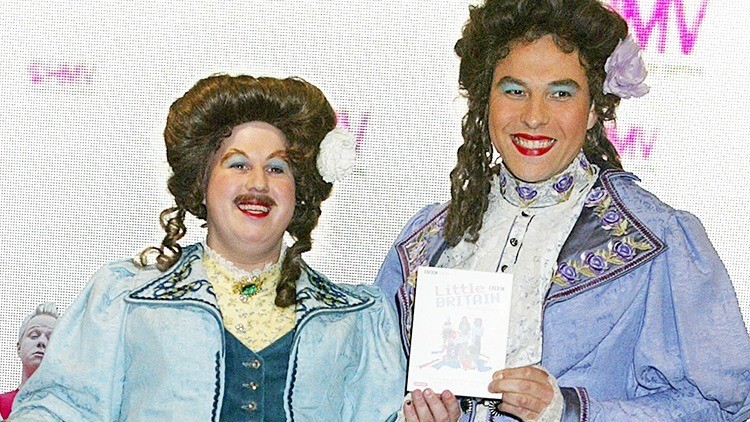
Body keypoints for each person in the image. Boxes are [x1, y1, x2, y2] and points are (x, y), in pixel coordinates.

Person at [375, 0, 750, 421]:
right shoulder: (426, 241)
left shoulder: (659, 242)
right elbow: (363, 393)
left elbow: (722, 408)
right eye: (514, 90)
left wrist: (569, 411)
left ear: (593, 109)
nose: (534, 117)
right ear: (485, 101)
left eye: (560, 93)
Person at [10, 74, 405, 421]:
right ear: (202, 182)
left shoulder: (356, 319)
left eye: (277, 168)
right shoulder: (123, 299)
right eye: (237, 164)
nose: (258, 183)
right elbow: (56, 409)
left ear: (298, 191)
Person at [0, 303, 58, 420]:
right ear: (19, 348)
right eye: (34, 335)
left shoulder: (72, 410)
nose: (41, 342)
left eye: (51, 338)